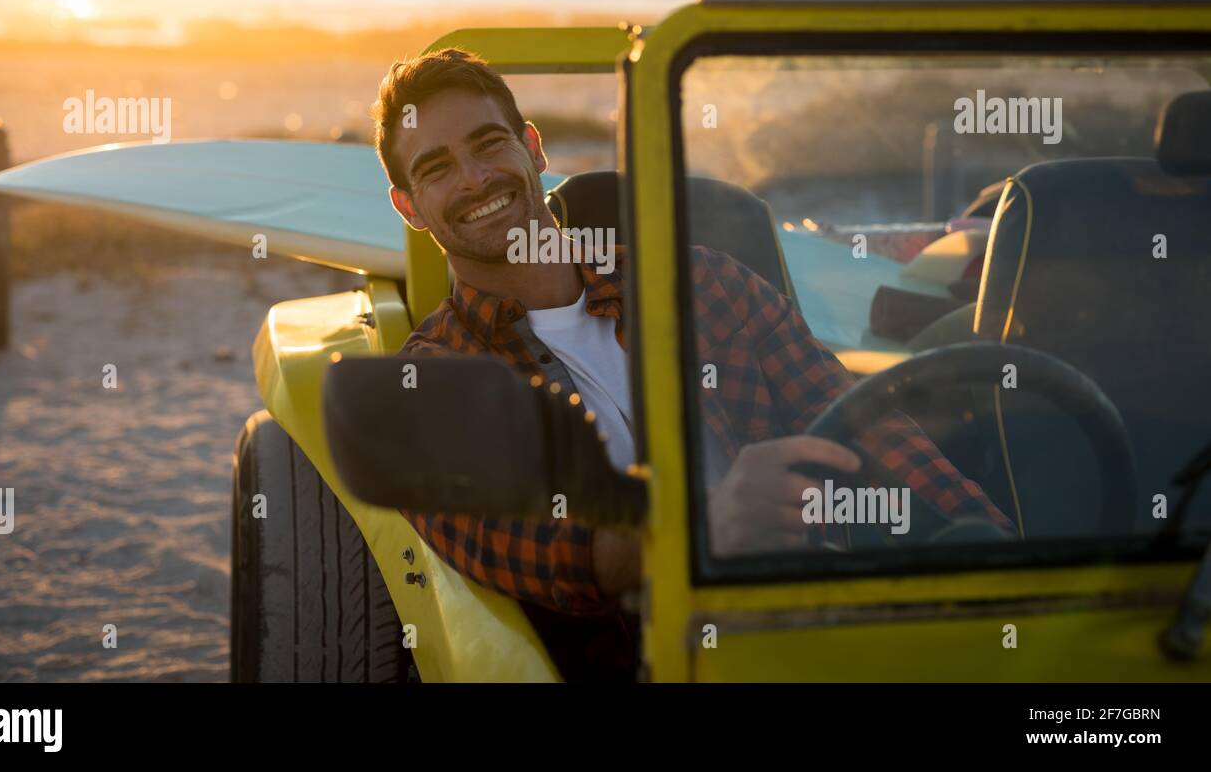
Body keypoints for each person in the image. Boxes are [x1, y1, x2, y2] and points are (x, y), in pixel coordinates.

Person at [371, 48, 1011, 627]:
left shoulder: (703, 280)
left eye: (489, 144)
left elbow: (867, 425)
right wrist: (705, 529)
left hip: (820, 628)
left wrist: (994, 548)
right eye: (437, 169)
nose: (476, 179)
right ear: (409, 207)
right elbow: (534, 545)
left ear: (533, 148)